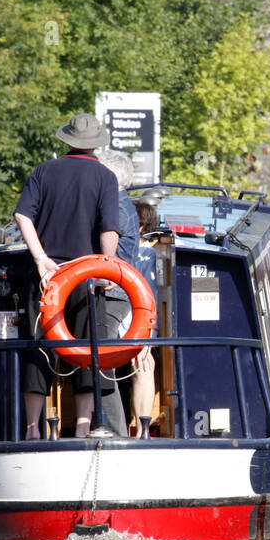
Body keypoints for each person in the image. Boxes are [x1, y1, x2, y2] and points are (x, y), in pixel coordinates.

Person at [14, 114, 122, 439]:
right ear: (95, 145)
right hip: (85, 278)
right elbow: (109, 230)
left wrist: (41, 259)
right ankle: (85, 427)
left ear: (67, 141)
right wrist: (107, 269)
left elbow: (22, 214)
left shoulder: (44, 171)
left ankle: (33, 429)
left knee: (39, 347)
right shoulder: (105, 177)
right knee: (89, 347)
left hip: (46, 279)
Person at [94, 148, 157, 437]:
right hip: (126, 300)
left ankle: (128, 430)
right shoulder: (120, 208)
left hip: (118, 299)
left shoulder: (114, 211)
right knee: (136, 363)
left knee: (130, 363)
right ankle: (137, 430)